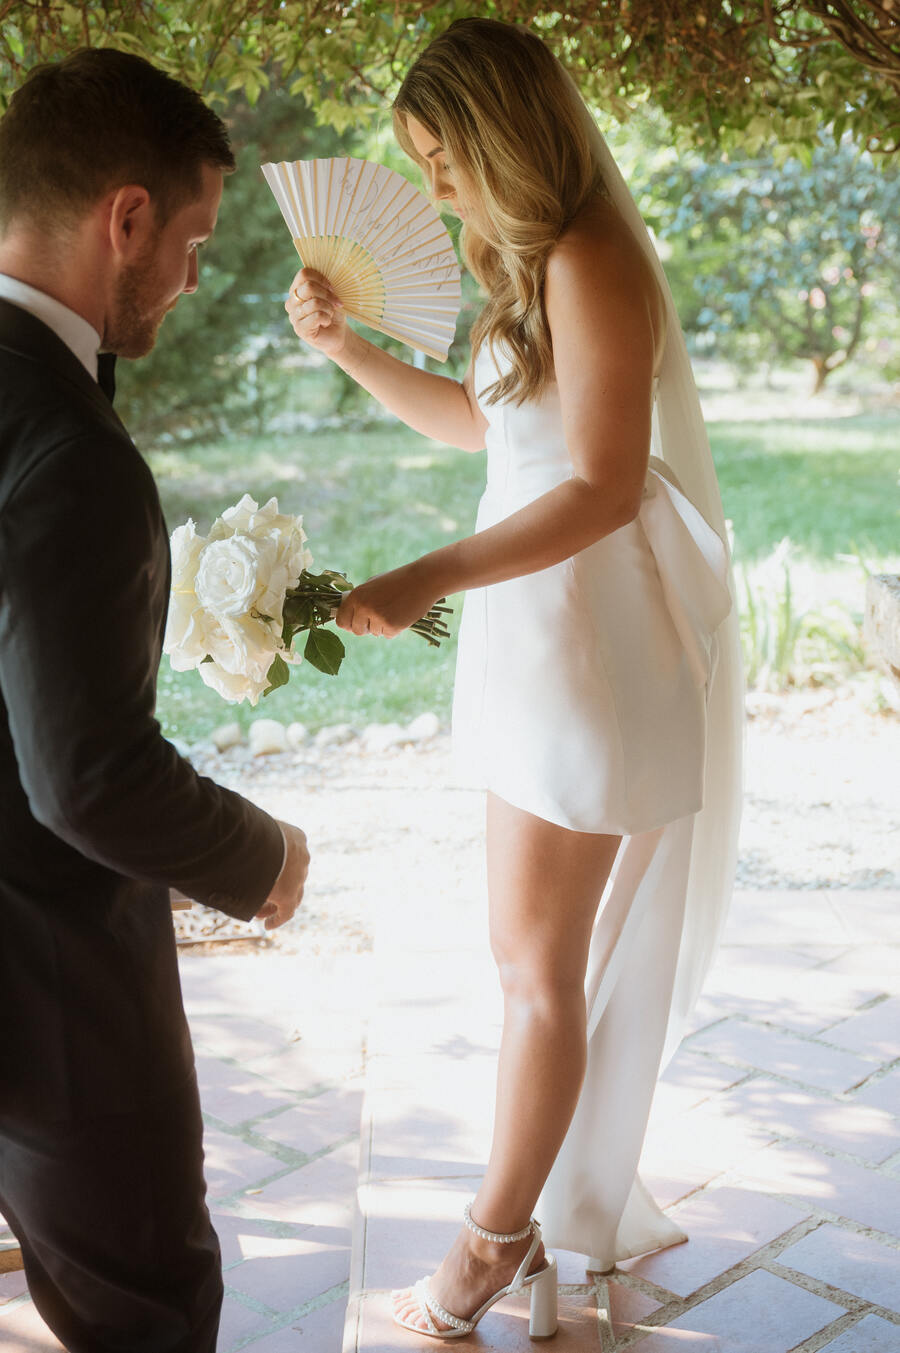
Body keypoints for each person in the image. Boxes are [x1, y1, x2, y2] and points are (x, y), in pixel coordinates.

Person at [285, 16, 742, 1340]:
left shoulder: (593, 256)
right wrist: (349, 352)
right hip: (530, 638)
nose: (432, 187)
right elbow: (499, 433)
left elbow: (599, 485)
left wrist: (427, 572)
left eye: (441, 156)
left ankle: (490, 1248)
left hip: (583, 642)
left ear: (499, 137)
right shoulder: (535, 264)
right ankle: (519, 1226)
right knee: (526, 957)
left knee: (538, 967)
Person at [0, 48, 310, 1353]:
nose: (190, 281)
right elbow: (86, 774)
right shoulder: (70, 449)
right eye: (188, 243)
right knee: (147, 1306)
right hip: (48, 967)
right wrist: (265, 856)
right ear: (124, 217)